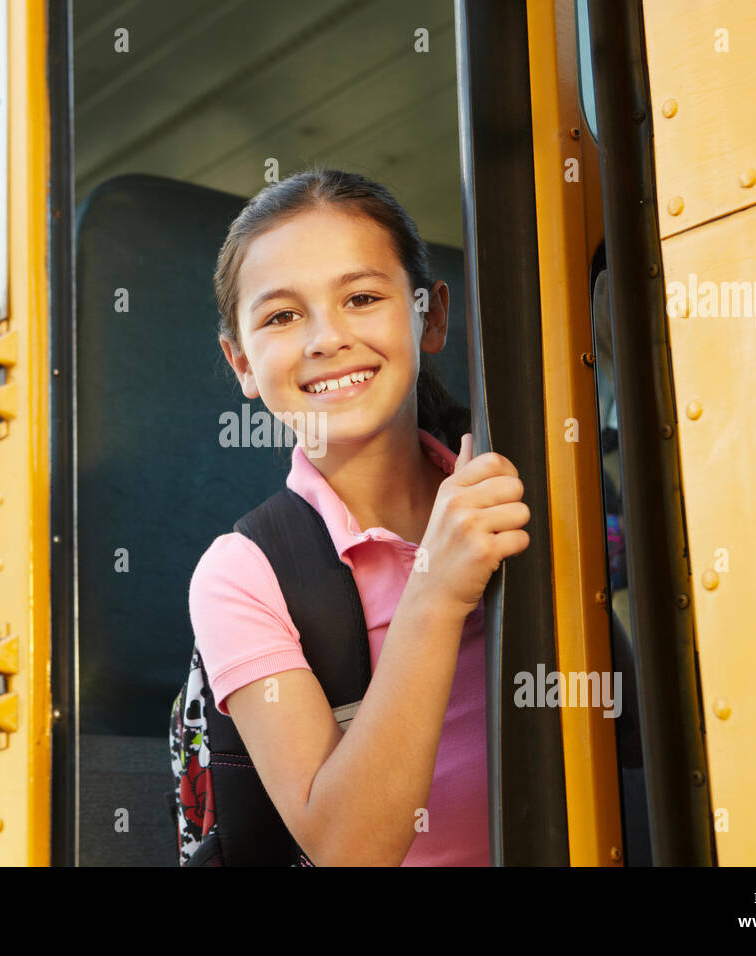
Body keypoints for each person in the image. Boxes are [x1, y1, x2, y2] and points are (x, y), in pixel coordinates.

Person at [189, 167, 531, 866]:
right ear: (242, 365)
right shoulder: (243, 575)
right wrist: (436, 589)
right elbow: (349, 847)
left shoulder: (514, 494)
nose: (326, 338)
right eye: (282, 316)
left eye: (363, 297)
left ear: (429, 315)